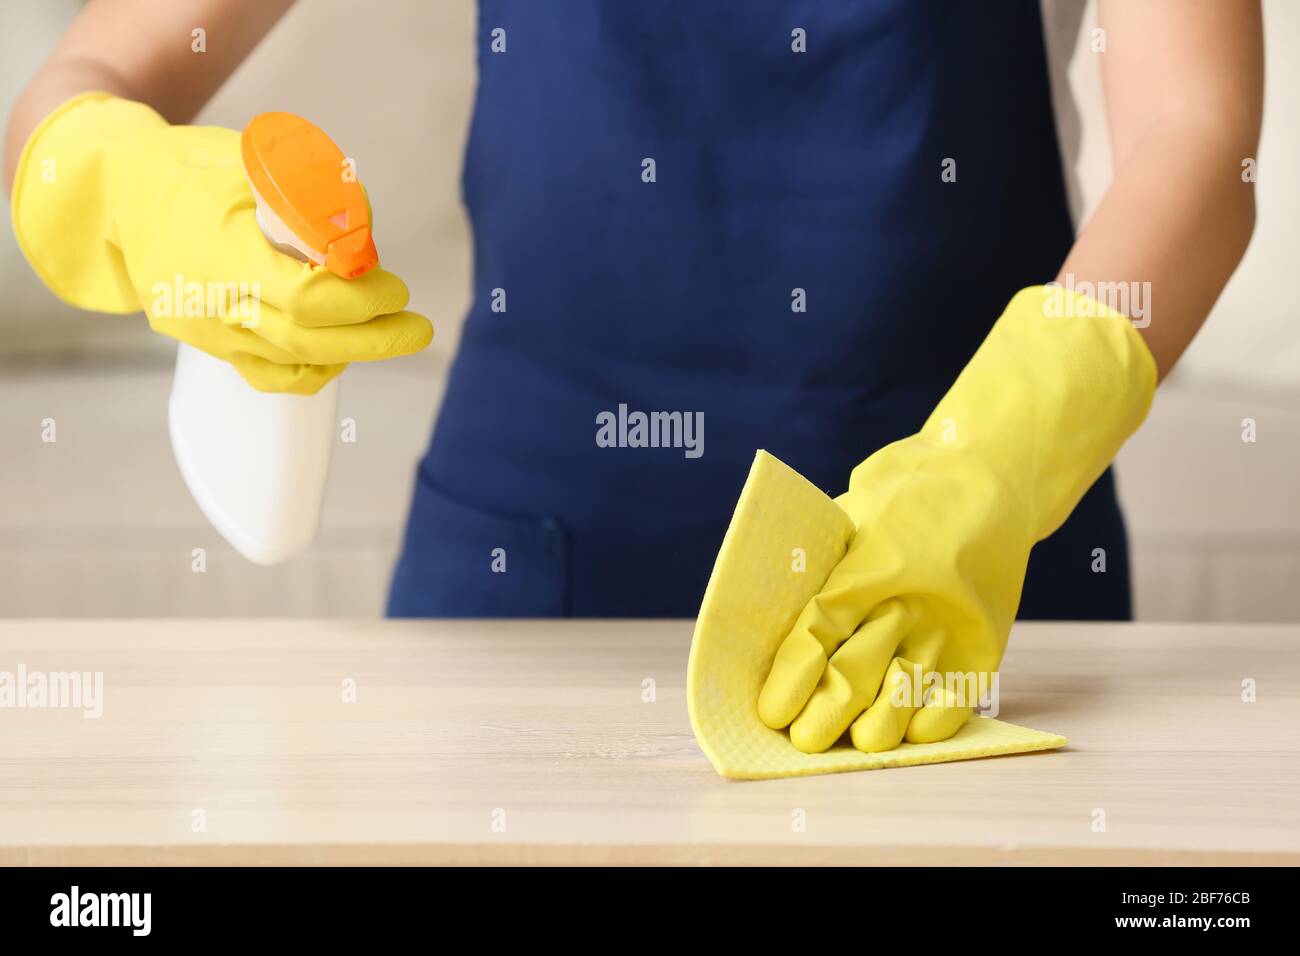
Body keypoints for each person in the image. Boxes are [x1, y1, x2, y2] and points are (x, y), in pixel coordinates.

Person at [5, 1, 1262, 752]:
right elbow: (84, 83)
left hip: (974, 582)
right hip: (521, 560)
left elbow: (1196, 139)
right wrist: (128, 186)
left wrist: (997, 467)